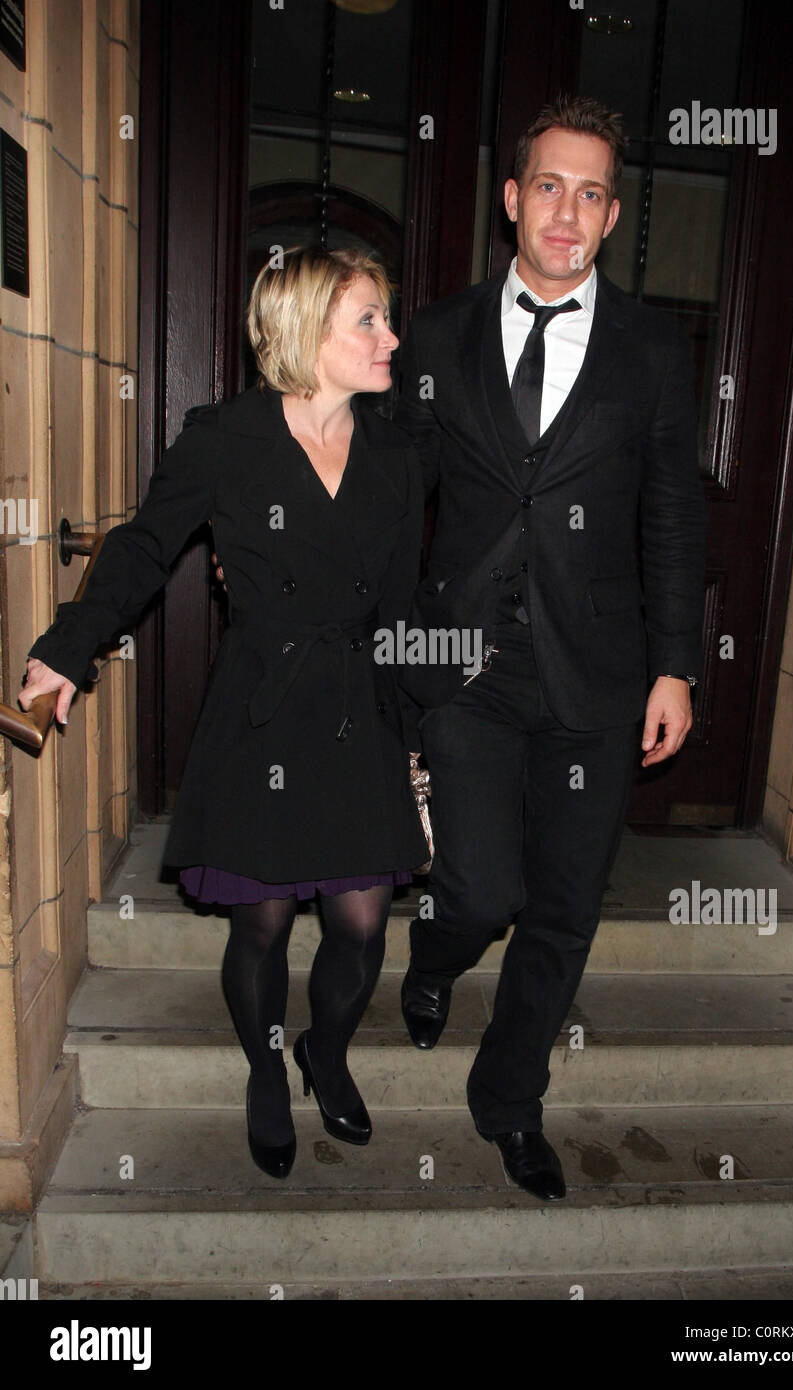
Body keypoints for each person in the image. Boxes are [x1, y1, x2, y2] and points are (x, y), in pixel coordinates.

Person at [21, 245, 429, 1180]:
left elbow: (403, 609)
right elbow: (142, 547)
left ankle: (326, 1052)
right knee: (265, 923)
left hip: (356, 708)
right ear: (306, 329)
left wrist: (417, 737)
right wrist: (68, 647)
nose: (390, 337)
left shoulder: (399, 457)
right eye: (368, 319)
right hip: (264, 708)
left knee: (363, 923)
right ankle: (264, 1065)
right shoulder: (224, 438)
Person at [394, 95, 707, 1201]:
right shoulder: (434, 336)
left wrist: (675, 662)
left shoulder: (654, 351)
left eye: (589, 193)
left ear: (611, 214)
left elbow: (673, 513)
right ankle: (434, 956)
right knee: (479, 888)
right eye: (548, 186)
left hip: (596, 671)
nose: (565, 212)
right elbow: (392, 498)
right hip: (468, 665)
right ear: (512, 197)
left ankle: (509, 1096)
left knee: (565, 906)